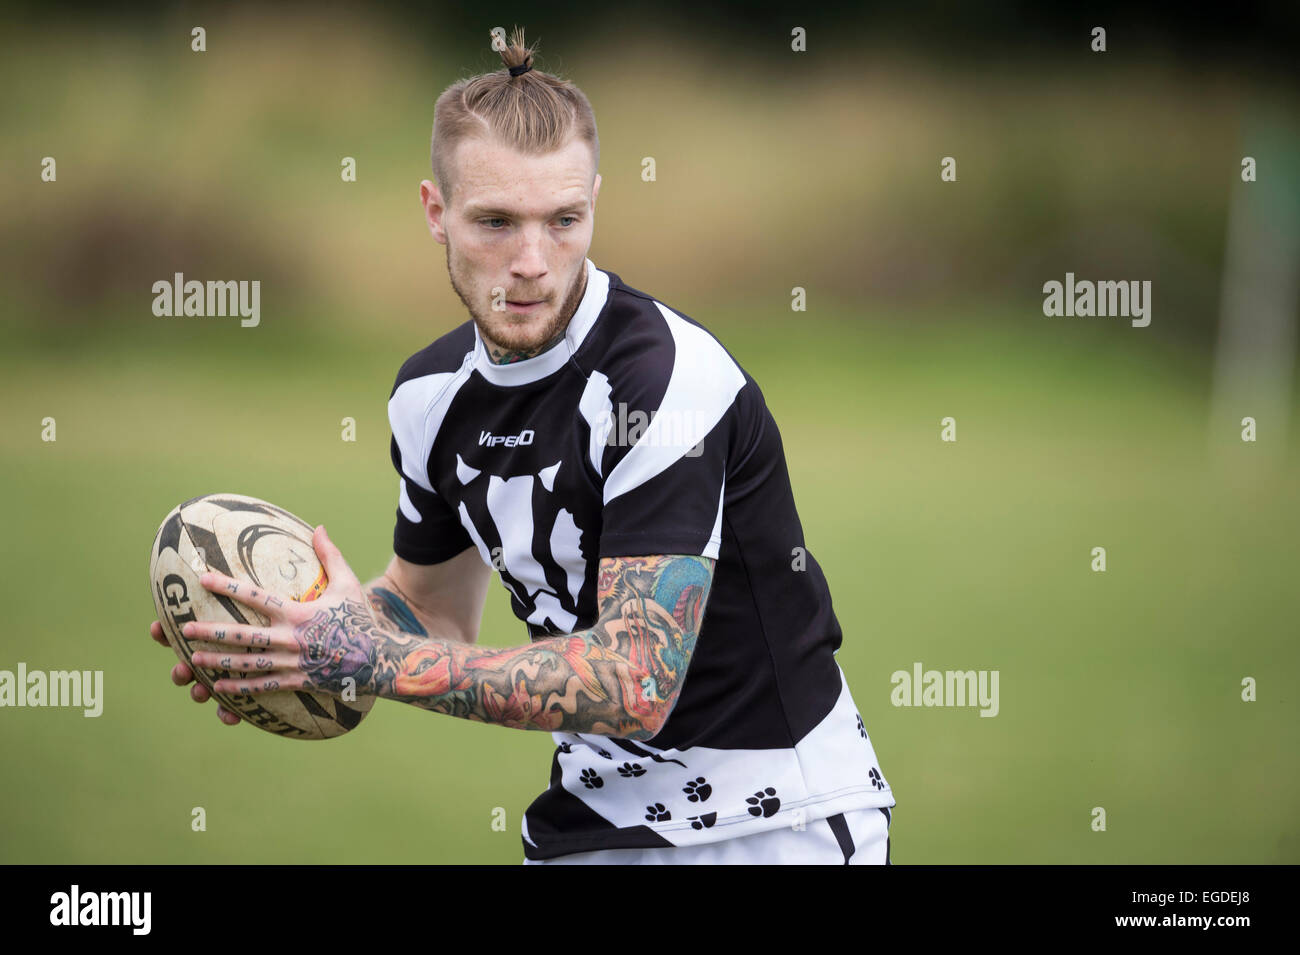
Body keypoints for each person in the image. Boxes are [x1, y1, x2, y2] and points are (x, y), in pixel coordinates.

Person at [149, 27, 895, 864]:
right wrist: (285, 637)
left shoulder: (664, 382)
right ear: (436, 212)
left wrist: (370, 656)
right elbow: (430, 607)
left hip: (772, 823)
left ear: (595, 205)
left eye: (564, 220)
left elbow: (632, 681)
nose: (533, 261)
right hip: (592, 826)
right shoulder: (427, 397)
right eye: (496, 221)